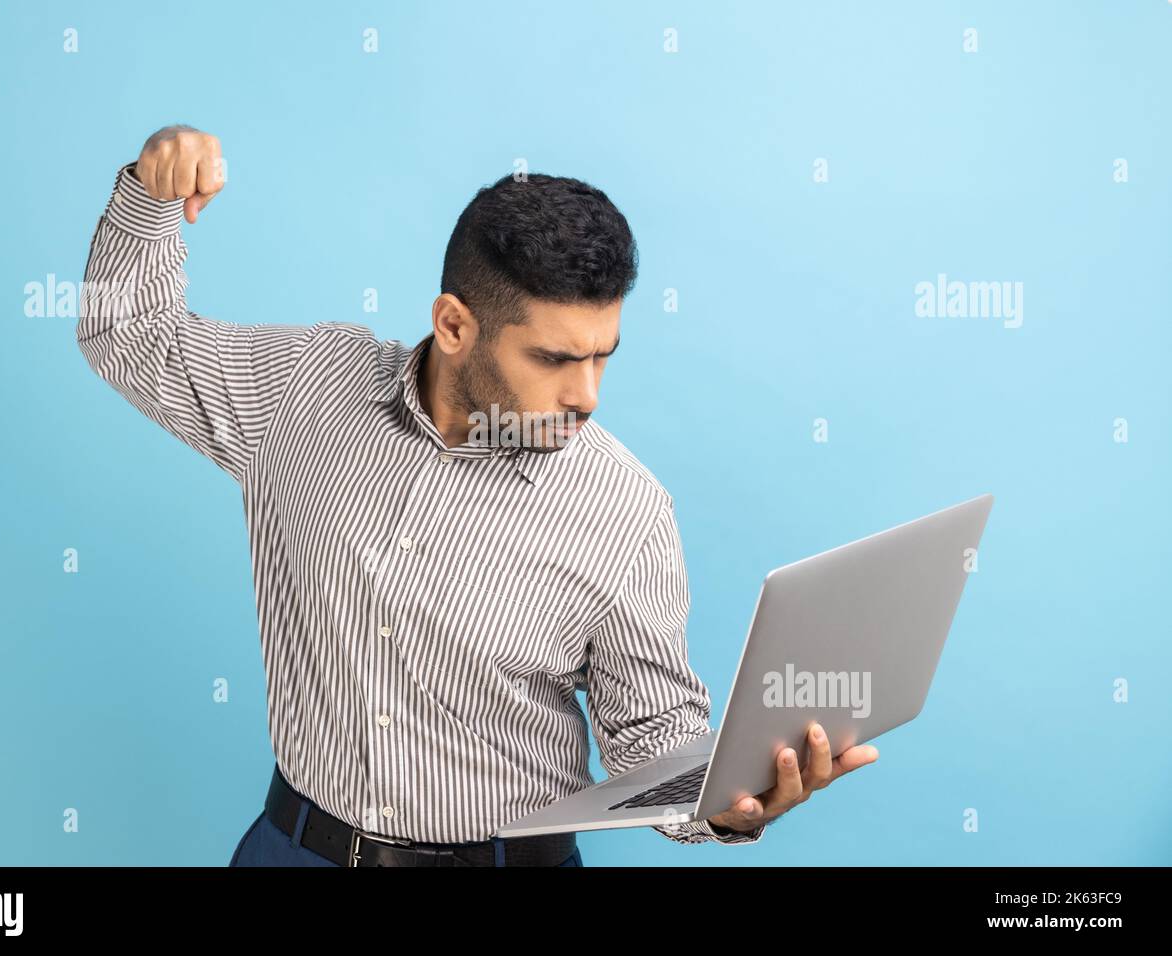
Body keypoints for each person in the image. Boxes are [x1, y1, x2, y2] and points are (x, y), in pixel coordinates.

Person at [77, 125, 879, 867]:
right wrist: (152, 201)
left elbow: (650, 739)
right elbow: (128, 332)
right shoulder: (303, 392)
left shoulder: (624, 510)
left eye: (603, 356)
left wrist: (734, 803)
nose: (588, 394)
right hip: (297, 851)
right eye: (555, 359)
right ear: (454, 325)